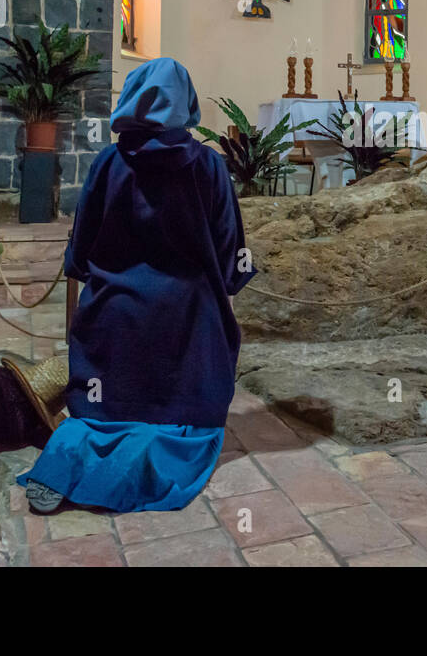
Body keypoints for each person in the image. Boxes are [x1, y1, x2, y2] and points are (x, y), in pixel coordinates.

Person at [17, 58, 255, 513]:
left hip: (115, 315)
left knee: (101, 415)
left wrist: (99, 275)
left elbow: (81, 247)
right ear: (185, 102)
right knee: (180, 425)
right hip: (188, 319)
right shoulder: (207, 165)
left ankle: (68, 462)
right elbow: (230, 248)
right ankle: (138, 461)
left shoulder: (108, 162)